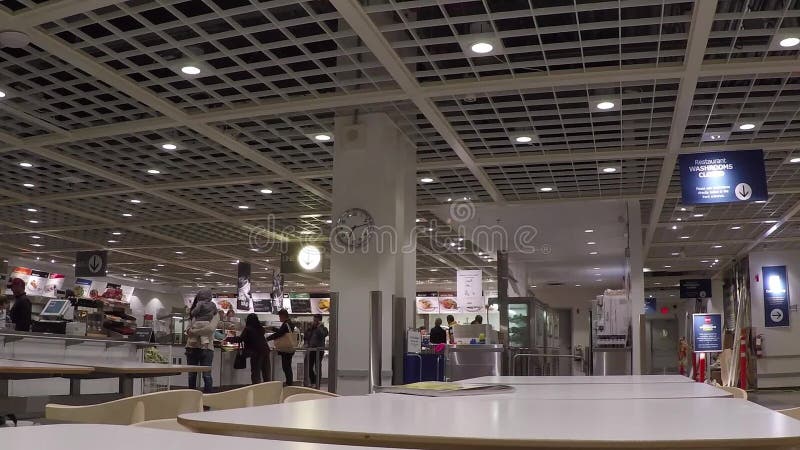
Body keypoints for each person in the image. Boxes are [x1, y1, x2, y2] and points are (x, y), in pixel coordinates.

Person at [185, 290, 218, 392]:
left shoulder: (214, 313)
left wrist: (194, 331)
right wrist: (195, 331)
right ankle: (192, 398)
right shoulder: (193, 314)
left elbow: (210, 329)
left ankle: (207, 399)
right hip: (191, 348)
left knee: (206, 375)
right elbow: (187, 330)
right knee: (191, 375)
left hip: (207, 349)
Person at [228, 313, 269, 384]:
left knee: (256, 373)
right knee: (266, 372)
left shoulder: (248, 329)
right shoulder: (260, 328)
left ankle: (257, 389)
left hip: (256, 352)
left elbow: (240, 339)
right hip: (265, 350)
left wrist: (228, 339)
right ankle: (269, 389)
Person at [267, 309, 295, 386]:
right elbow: (281, 332)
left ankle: (289, 383)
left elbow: (279, 334)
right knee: (287, 366)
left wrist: (267, 339)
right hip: (289, 348)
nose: (279, 318)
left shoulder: (286, 324)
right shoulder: (288, 323)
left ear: (283, 315)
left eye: (279, 316)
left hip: (286, 348)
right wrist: (272, 329)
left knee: (286, 367)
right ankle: (289, 382)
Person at [304, 314, 328, 386]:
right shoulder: (311, 328)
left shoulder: (324, 329)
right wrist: (310, 329)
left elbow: (322, 335)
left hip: (319, 350)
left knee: (317, 366)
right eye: (314, 320)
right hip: (311, 350)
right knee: (309, 366)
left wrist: (319, 327)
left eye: (316, 320)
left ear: (319, 321)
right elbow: (306, 336)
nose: (314, 321)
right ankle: (313, 381)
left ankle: (317, 383)